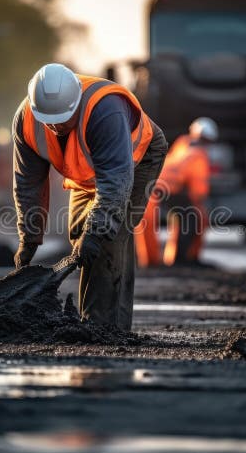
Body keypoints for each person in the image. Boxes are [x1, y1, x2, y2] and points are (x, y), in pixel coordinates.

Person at [12, 63, 167, 330]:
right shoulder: (26, 121)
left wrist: (96, 232)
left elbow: (114, 183)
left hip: (137, 159)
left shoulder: (105, 111)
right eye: (49, 121)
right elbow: (28, 184)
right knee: (79, 235)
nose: (56, 126)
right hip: (89, 174)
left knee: (108, 238)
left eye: (63, 118)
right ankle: (94, 320)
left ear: (76, 104)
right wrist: (29, 238)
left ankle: (105, 328)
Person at [136, 117, 216, 267]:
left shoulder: (183, 143)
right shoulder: (199, 156)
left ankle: (151, 262)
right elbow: (198, 191)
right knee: (197, 216)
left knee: (144, 222)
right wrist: (198, 203)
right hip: (161, 188)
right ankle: (184, 258)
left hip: (150, 184)